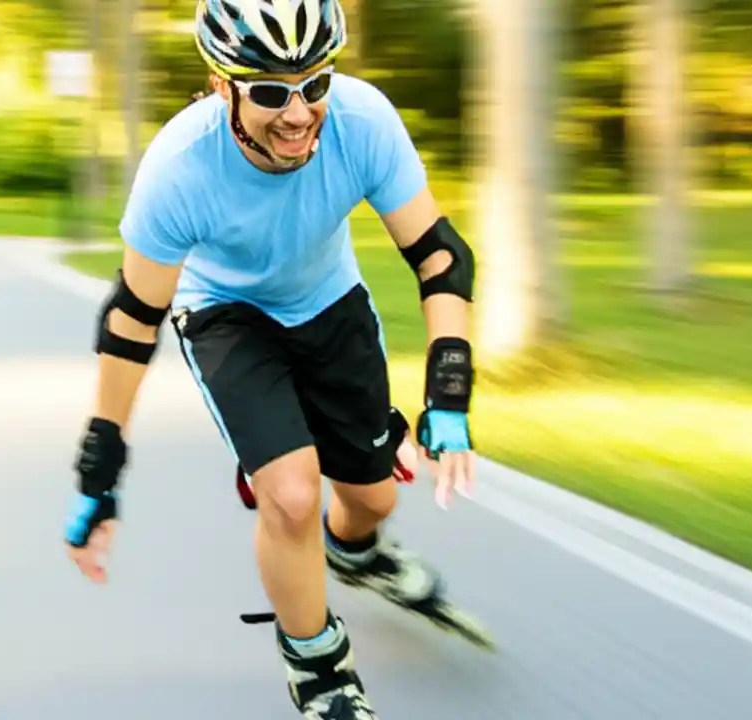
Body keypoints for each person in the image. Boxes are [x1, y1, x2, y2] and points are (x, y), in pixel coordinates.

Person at [63, 0, 482, 717]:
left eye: (314, 84)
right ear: (222, 86)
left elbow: (442, 257)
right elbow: (133, 321)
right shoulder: (180, 166)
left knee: (373, 497)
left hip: (329, 301)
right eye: (267, 91)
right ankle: (319, 668)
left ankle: (354, 552)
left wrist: (449, 392)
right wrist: (99, 467)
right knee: (291, 496)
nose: (296, 113)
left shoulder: (362, 121)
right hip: (227, 316)